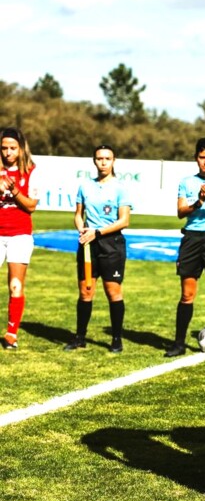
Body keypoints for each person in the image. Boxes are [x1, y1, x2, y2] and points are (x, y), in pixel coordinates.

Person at [64, 145, 132, 354]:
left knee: (113, 291)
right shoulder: (85, 186)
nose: (103, 162)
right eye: (99, 158)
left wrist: (98, 232)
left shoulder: (121, 188)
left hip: (111, 245)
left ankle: (116, 339)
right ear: (94, 161)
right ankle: (80, 337)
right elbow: (78, 214)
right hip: (88, 244)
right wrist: (82, 228)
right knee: (86, 291)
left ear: (114, 161)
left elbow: (124, 221)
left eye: (107, 158)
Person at [167, 137, 205, 359]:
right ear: (196, 158)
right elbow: (181, 212)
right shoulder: (186, 181)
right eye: (202, 157)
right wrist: (198, 203)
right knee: (187, 294)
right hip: (191, 239)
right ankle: (178, 343)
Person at [0, 128, 38, 350]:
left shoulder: (31, 172)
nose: (8, 152)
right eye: (4, 148)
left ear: (21, 148)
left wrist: (13, 190)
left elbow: (31, 206)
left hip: (19, 236)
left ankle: (11, 333)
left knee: (15, 285)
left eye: (12, 148)